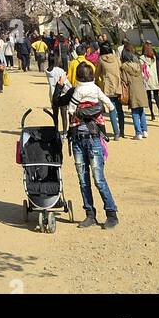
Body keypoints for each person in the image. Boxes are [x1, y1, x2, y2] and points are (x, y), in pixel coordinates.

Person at [56, 61, 119, 229]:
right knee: (83, 180)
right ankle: (89, 214)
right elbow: (57, 102)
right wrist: (59, 86)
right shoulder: (75, 91)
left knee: (98, 179)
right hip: (78, 139)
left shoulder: (90, 91)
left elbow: (106, 106)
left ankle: (111, 213)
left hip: (93, 138)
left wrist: (78, 111)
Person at [95, 42, 124, 140]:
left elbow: (97, 74)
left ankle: (116, 133)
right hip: (118, 85)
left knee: (112, 109)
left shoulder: (101, 60)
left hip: (107, 86)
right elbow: (121, 69)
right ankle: (122, 131)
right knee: (119, 110)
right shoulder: (116, 58)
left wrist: (98, 80)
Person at [120, 48, 148, 139]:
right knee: (141, 111)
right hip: (141, 89)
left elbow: (124, 80)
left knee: (135, 112)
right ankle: (144, 131)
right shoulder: (138, 65)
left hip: (132, 89)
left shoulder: (124, 66)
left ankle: (138, 132)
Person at [140, 42, 159, 120]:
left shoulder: (141, 58)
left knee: (149, 98)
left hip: (146, 80)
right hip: (155, 79)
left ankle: (152, 114)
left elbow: (141, 70)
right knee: (156, 97)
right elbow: (158, 69)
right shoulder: (155, 57)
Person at [46, 56, 69, 132]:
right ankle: (64, 131)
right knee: (64, 115)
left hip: (52, 94)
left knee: (55, 115)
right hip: (62, 94)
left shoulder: (47, 71)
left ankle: (55, 130)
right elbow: (64, 82)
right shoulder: (60, 71)